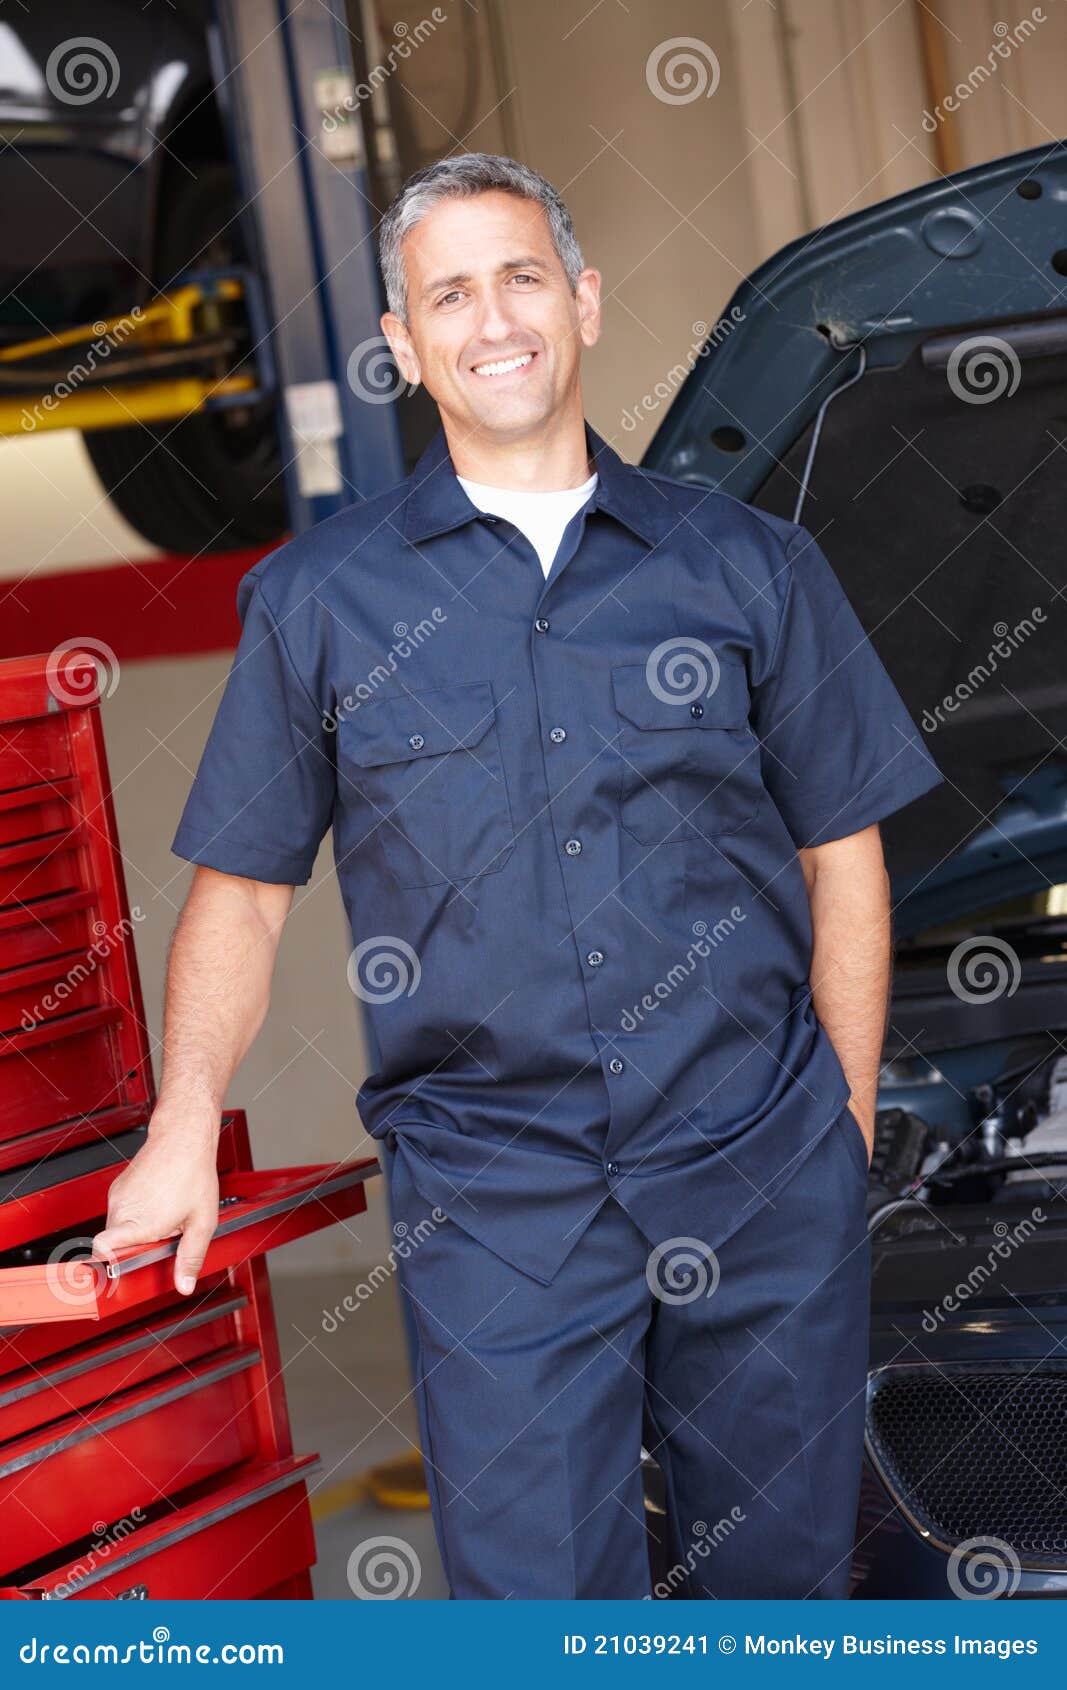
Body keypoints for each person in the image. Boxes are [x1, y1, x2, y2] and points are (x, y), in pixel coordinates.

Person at [93, 152, 943, 1599]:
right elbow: (242, 890)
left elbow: (841, 846)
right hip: (498, 1207)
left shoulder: (748, 565)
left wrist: (843, 1119)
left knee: (783, 1606)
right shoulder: (319, 602)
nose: (495, 319)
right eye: (451, 294)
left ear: (585, 300)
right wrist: (183, 1127)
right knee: (539, 1622)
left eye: (522, 276)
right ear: (401, 345)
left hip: (758, 1168)